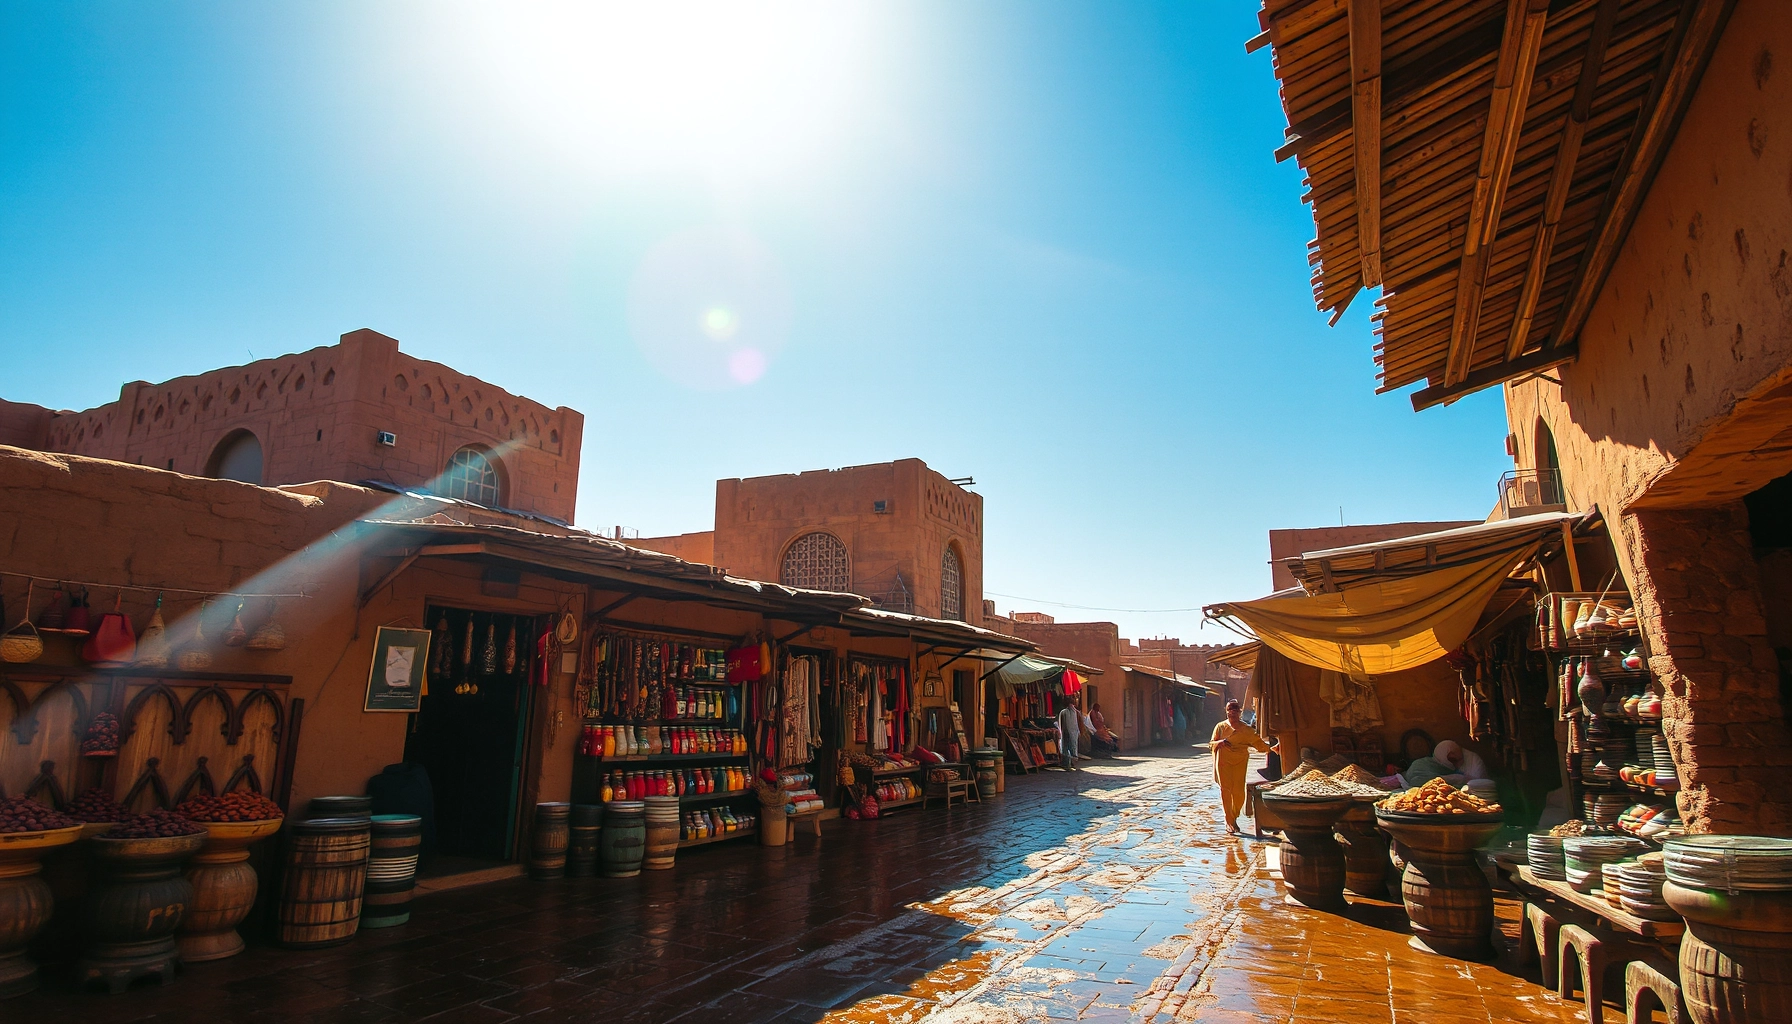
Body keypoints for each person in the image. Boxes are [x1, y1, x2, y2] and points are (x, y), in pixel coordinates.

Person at [1211, 699, 1273, 834]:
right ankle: (1229, 822)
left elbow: (1260, 745)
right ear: (1226, 711)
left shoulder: (1247, 730)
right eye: (1229, 710)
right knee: (1225, 791)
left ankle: (1234, 816)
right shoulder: (1220, 727)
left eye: (1235, 710)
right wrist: (1219, 743)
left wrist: (1274, 749)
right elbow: (1211, 743)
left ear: (1239, 712)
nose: (1232, 713)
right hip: (1223, 763)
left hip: (1240, 762)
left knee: (1239, 793)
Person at [1056, 699, 1080, 770]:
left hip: (1067, 732)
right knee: (1071, 747)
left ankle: (1067, 764)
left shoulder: (1067, 712)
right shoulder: (1072, 712)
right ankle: (1070, 764)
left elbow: (1061, 723)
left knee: (1066, 748)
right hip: (1069, 733)